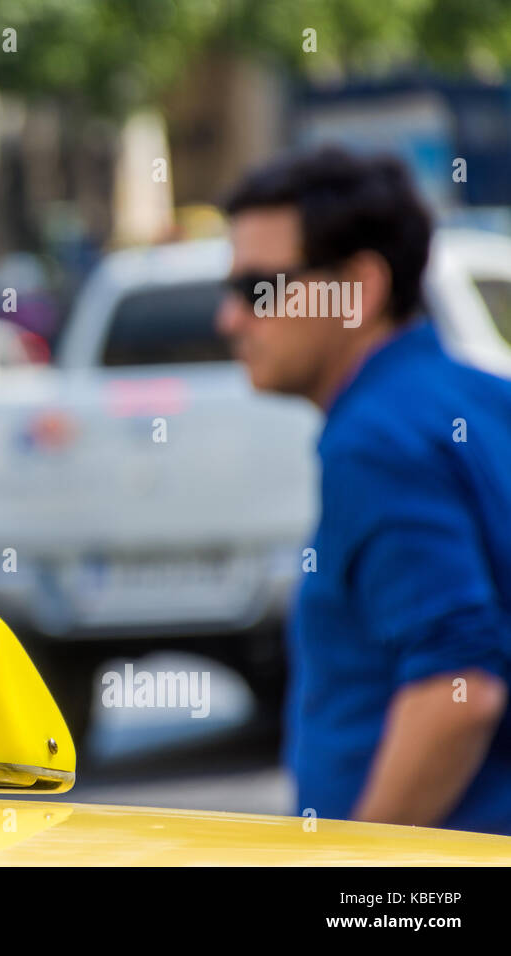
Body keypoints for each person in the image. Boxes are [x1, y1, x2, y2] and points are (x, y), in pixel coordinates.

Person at [216, 146, 511, 834]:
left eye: (259, 289)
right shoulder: (483, 402)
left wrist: (356, 878)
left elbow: (458, 691)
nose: (231, 320)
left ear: (359, 289)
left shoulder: (375, 443)